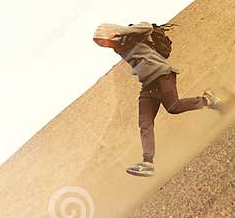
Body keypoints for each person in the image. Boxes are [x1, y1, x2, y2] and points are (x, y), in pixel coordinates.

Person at [93, 22, 221, 177]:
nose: (103, 45)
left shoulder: (130, 34)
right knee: (145, 122)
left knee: (173, 106)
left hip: (162, 74)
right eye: (100, 44)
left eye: (102, 41)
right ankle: (147, 163)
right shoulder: (117, 48)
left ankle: (207, 100)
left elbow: (147, 27)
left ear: (109, 33)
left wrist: (123, 31)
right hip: (147, 84)